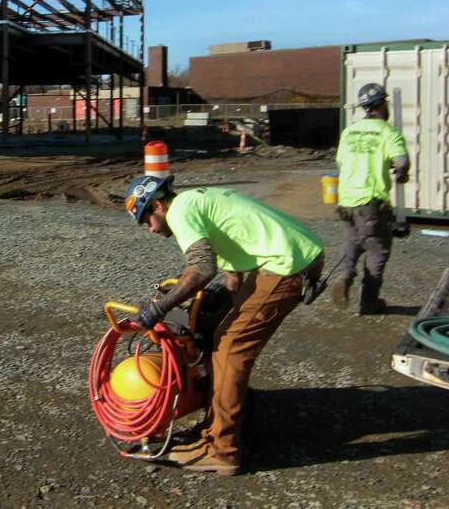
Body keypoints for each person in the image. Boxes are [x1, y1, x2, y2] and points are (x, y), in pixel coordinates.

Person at [123, 175, 324, 475]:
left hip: (285, 265)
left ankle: (223, 450)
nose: (150, 229)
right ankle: (218, 424)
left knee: (230, 350)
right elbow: (230, 269)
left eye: (147, 220)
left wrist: (156, 310)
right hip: (292, 254)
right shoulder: (197, 201)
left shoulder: (179, 211)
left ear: (156, 205)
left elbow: (202, 267)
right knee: (219, 334)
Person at [333, 83, 410, 314]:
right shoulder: (389, 132)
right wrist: (401, 173)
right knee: (378, 250)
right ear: (382, 104)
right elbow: (402, 162)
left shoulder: (349, 132)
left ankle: (345, 276)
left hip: (346, 199)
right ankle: (369, 302)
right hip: (371, 201)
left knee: (353, 241)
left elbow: (340, 162)